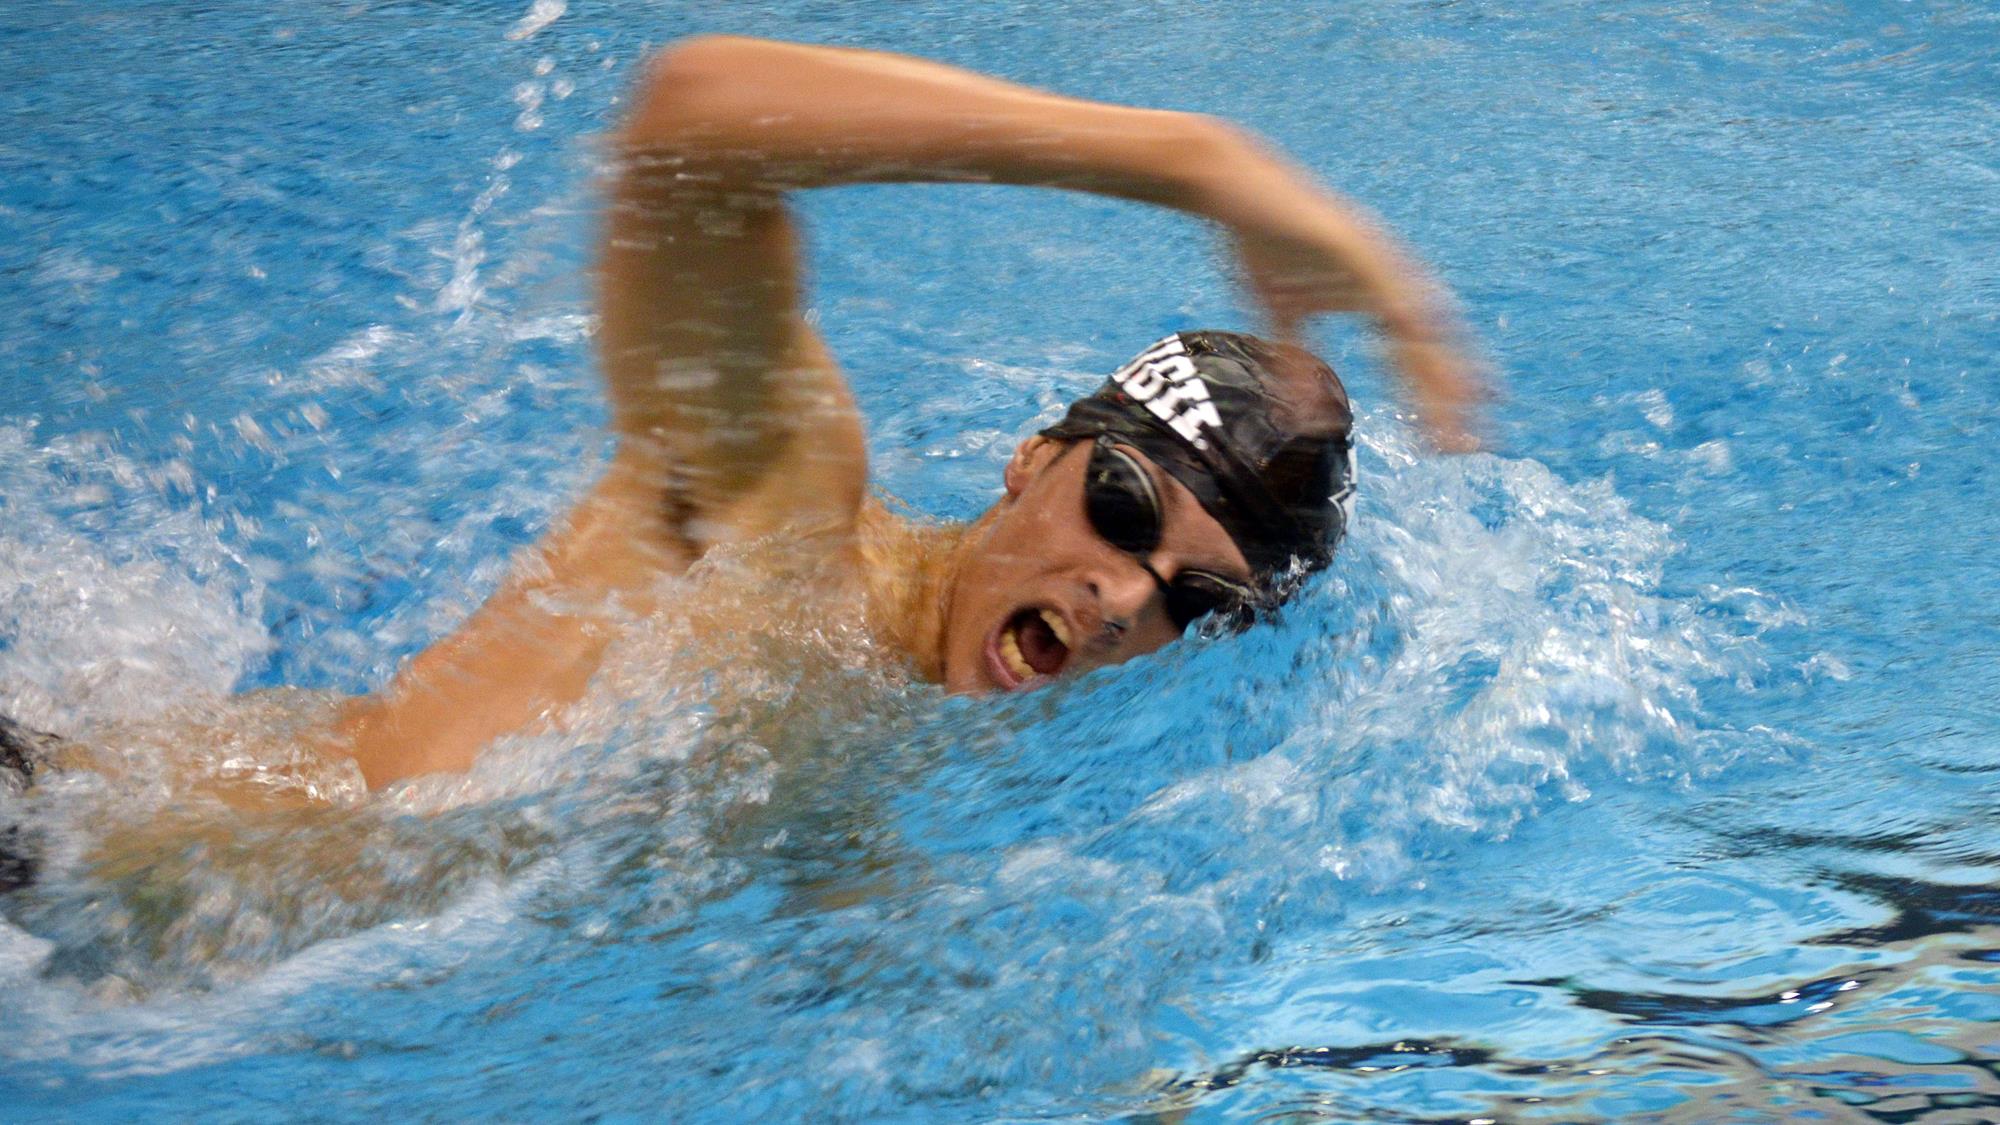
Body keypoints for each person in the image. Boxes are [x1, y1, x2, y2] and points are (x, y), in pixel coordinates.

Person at [6, 36, 1479, 812]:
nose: (1119, 597)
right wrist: (1194, 161)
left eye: (1194, 600)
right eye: (1120, 504)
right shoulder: (788, 509)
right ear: (1029, 459)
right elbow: (688, 126)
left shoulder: (887, 761)